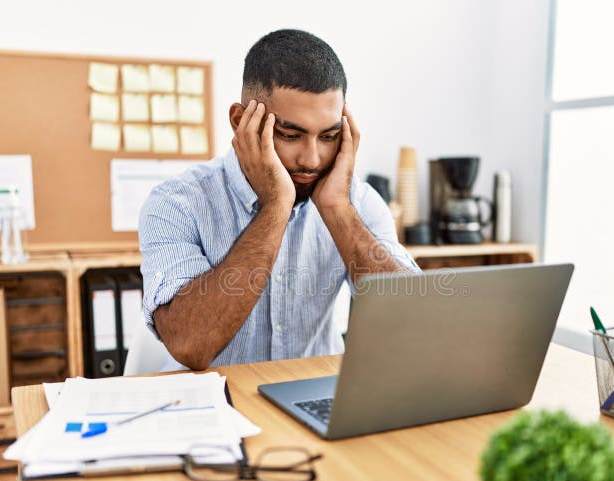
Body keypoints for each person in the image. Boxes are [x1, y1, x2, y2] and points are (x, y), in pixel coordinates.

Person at [139, 29, 419, 371]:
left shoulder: (357, 202)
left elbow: (414, 328)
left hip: (315, 403)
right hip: (215, 411)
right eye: (289, 135)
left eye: (329, 136)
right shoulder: (175, 204)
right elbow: (190, 344)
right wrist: (275, 206)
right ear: (241, 122)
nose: (312, 159)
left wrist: (338, 210)